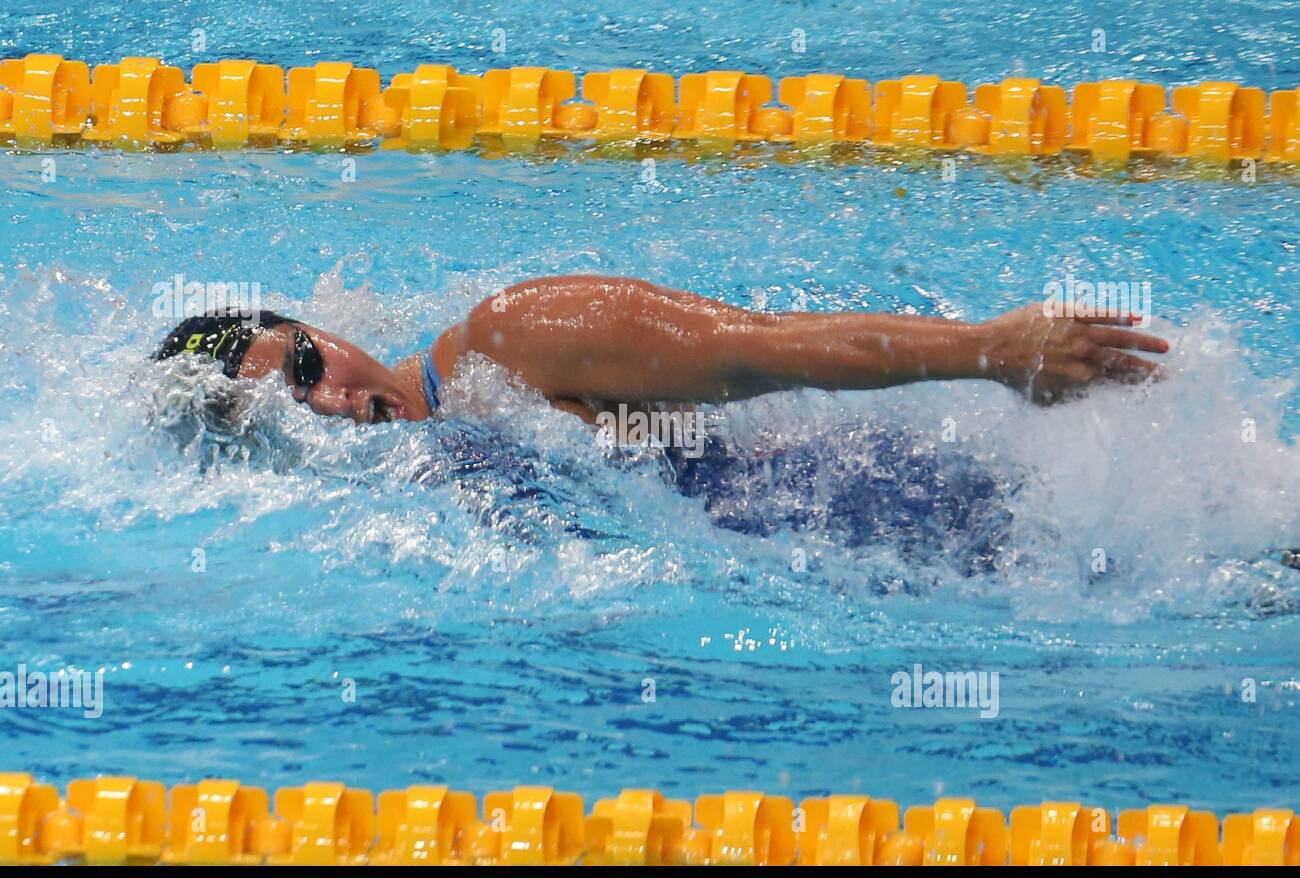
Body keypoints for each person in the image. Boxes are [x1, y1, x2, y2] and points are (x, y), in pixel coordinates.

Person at [153, 274, 1169, 426]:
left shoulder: (507, 341)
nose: (326, 399)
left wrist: (987, 348)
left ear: (322, 331)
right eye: (291, 409)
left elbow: (757, 350)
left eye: (303, 366)